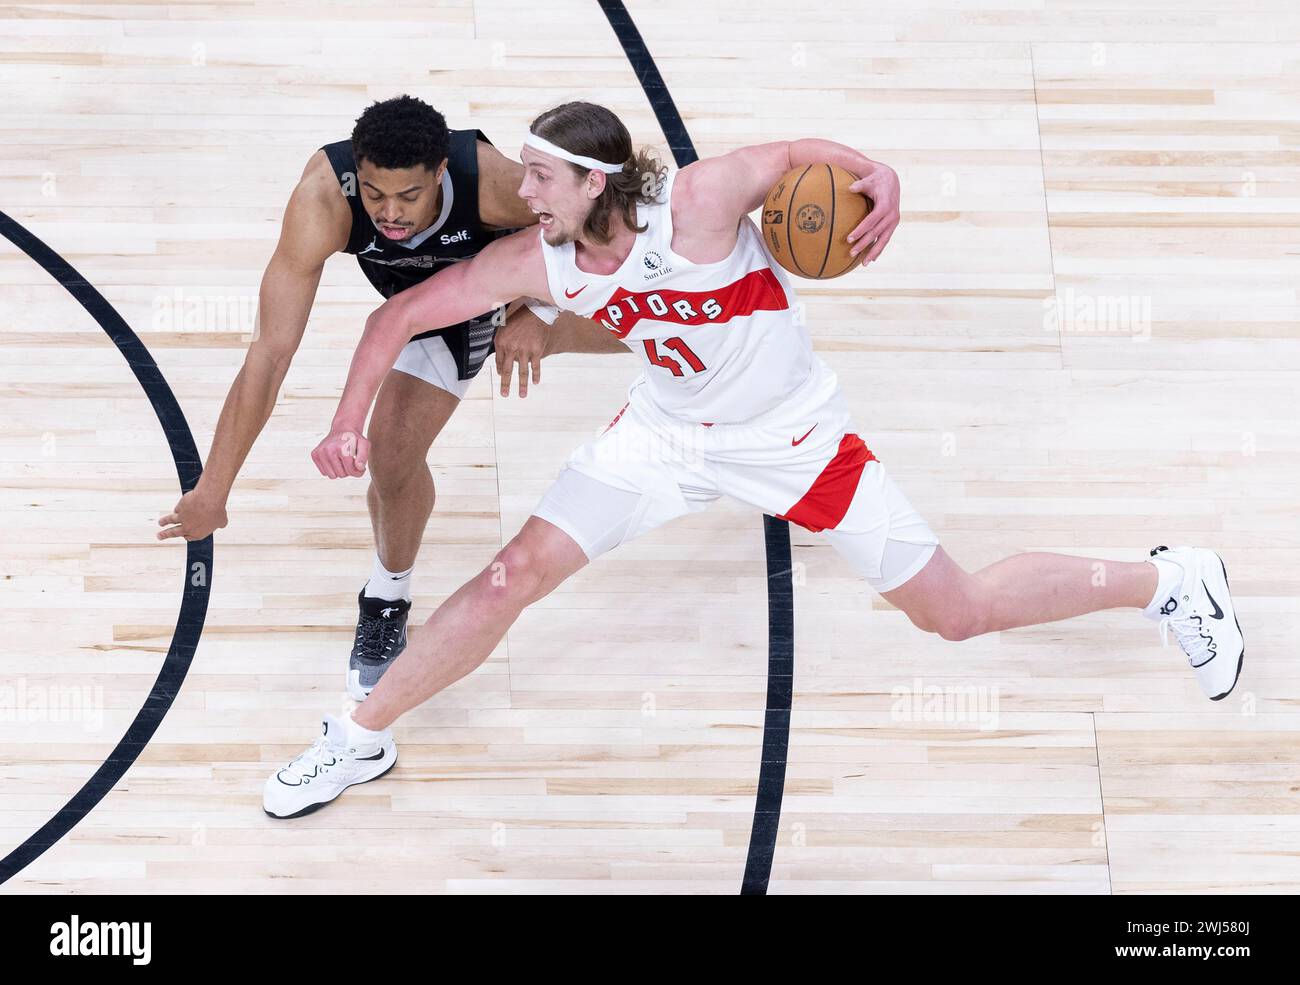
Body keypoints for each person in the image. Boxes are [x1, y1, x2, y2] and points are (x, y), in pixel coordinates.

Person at [263, 101, 1243, 819]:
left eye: (538, 178)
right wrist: (349, 419)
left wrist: (877, 172)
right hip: (662, 434)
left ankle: (1170, 581)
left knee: (957, 614)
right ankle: (357, 734)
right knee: (512, 573)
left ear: (593, 183)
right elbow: (401, 313)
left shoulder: (699, 201)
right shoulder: (542, 261)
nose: (519, 194)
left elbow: (797, 153)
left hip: (792, 438)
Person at [155, 95, 625, 699]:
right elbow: (269, 355)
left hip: (493, 285)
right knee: (394, 452)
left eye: (409, 197)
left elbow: (593, 230)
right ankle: (387, 598)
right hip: (416, 312)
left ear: (441, 174)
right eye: (376, 195)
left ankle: (700, 346)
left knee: (649, 319)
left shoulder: (498, 184)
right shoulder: (324, 201)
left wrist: (536, 308)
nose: (390, 214)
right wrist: (213, 491)